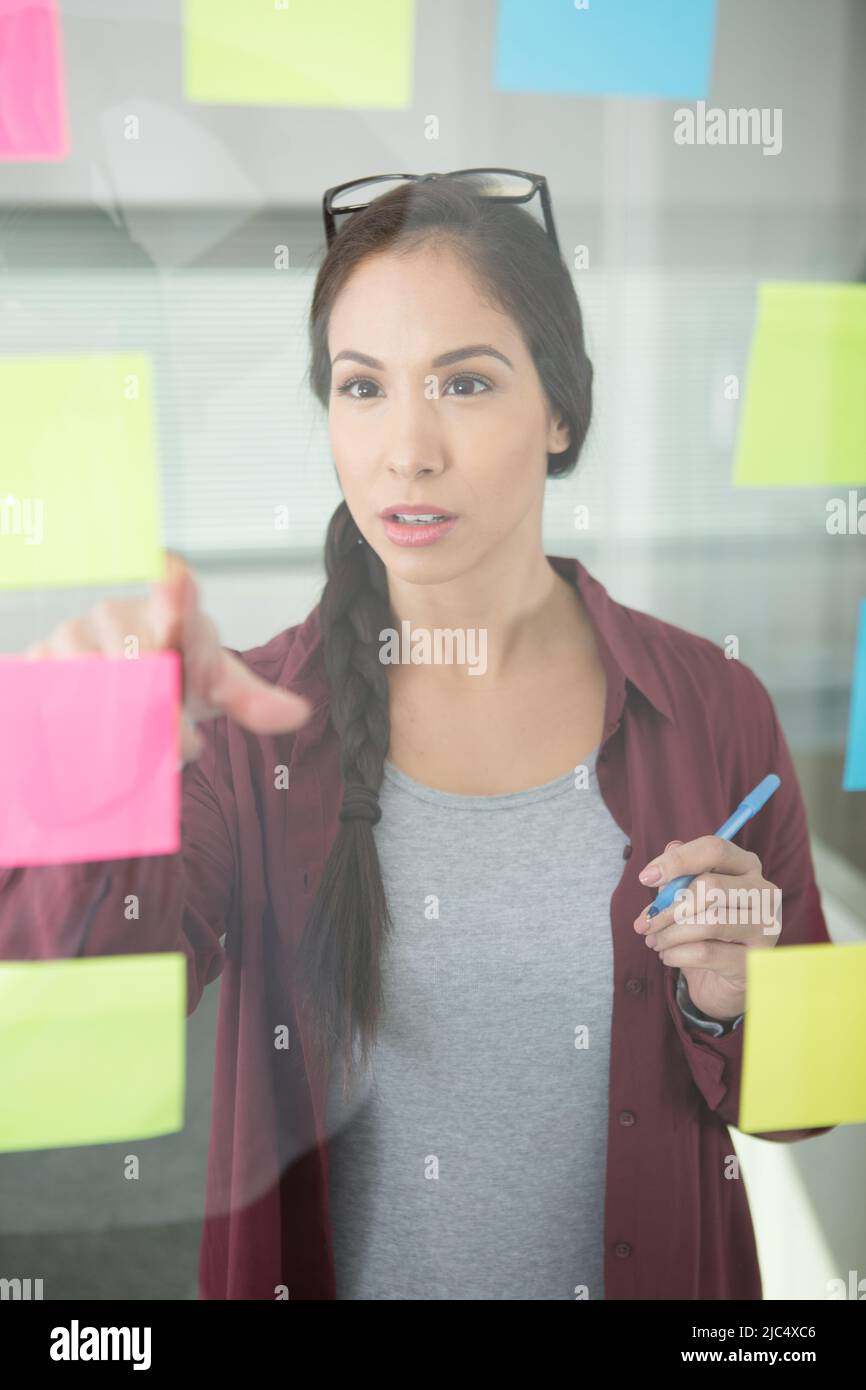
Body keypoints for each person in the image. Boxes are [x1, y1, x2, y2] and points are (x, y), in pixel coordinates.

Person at [0, 174, 834, 1300]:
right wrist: (74, 780)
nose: (406, 448)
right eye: (362, 388)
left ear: (558, 410)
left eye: (464, 381)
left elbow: (805, 1101)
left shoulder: (713, 705)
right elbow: (65, 1058)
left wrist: (730, 998)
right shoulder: (249, 733)